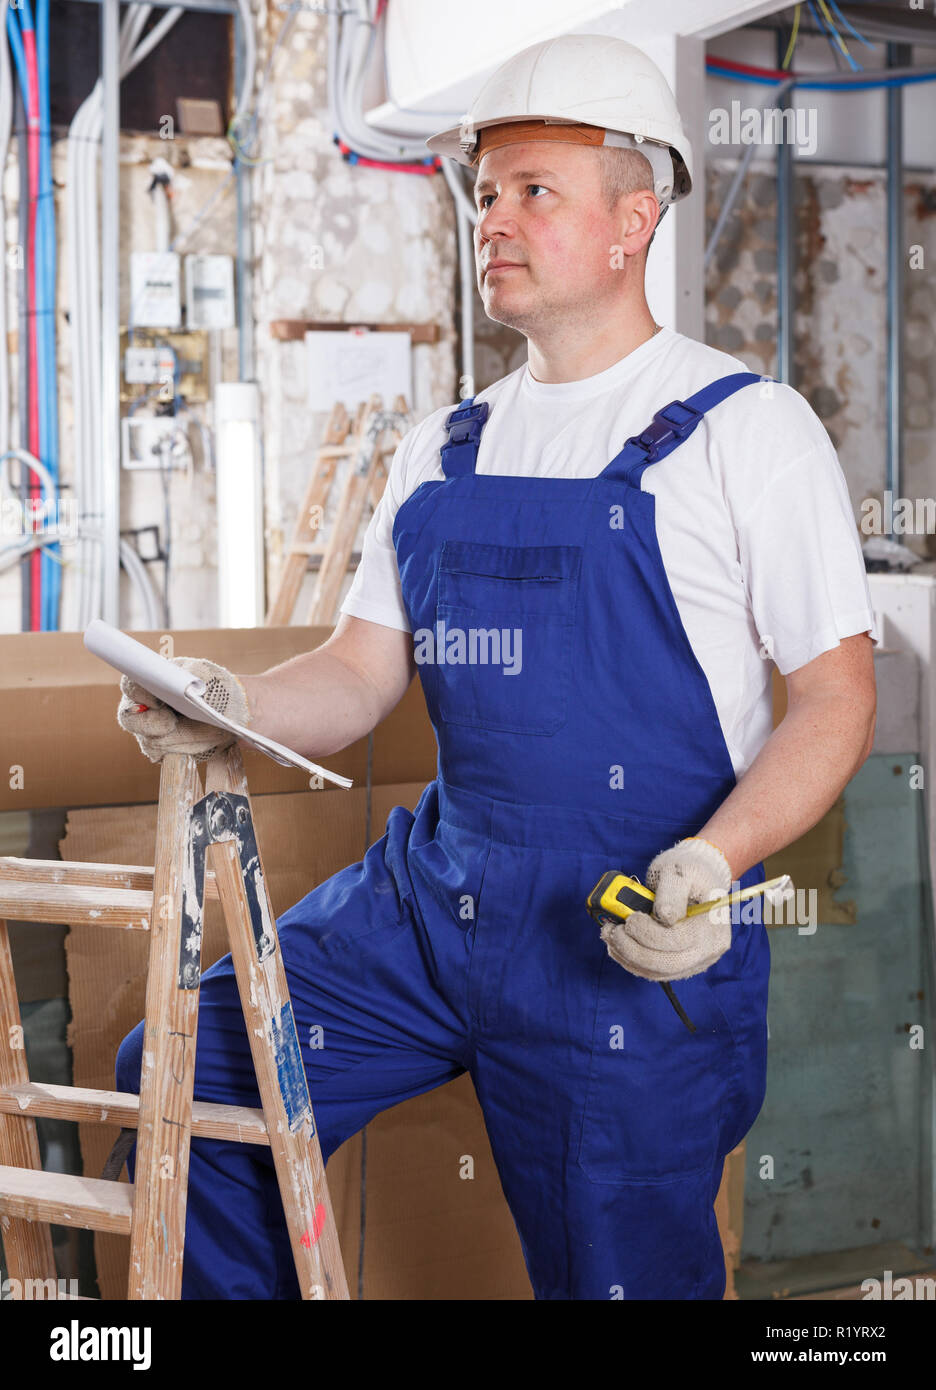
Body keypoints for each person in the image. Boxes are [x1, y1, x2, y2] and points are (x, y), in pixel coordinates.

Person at [115, 32, 878, 1300]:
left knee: (617, 1275)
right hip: (436, 900)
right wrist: (230, 705)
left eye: (535, 191)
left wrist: (714, 864)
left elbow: (837, 698)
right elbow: (361, 675)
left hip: (631, 918)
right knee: (193, 1067)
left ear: (634, 221)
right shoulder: (442, 447)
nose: (496, 221)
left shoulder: (746, 432)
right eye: (485, 194)